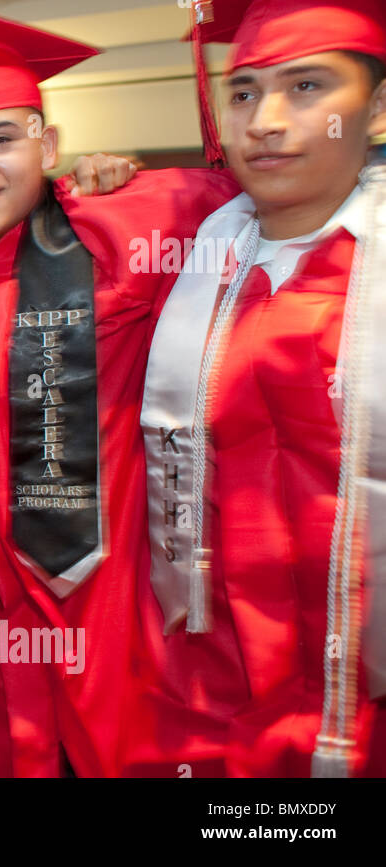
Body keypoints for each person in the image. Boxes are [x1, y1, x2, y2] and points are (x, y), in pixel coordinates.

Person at [0, 9, 240, 776]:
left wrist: (107, 178)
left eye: (2, 138)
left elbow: (253, 191)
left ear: (49, 145)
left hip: (93, 596)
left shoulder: (114, 235)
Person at [141, 0, 386, 777]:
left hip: (365, 681)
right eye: (243, 92)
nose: (265, 120)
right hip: (214, 677)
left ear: (377, 110)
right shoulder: (185, 254)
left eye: (306, 86)